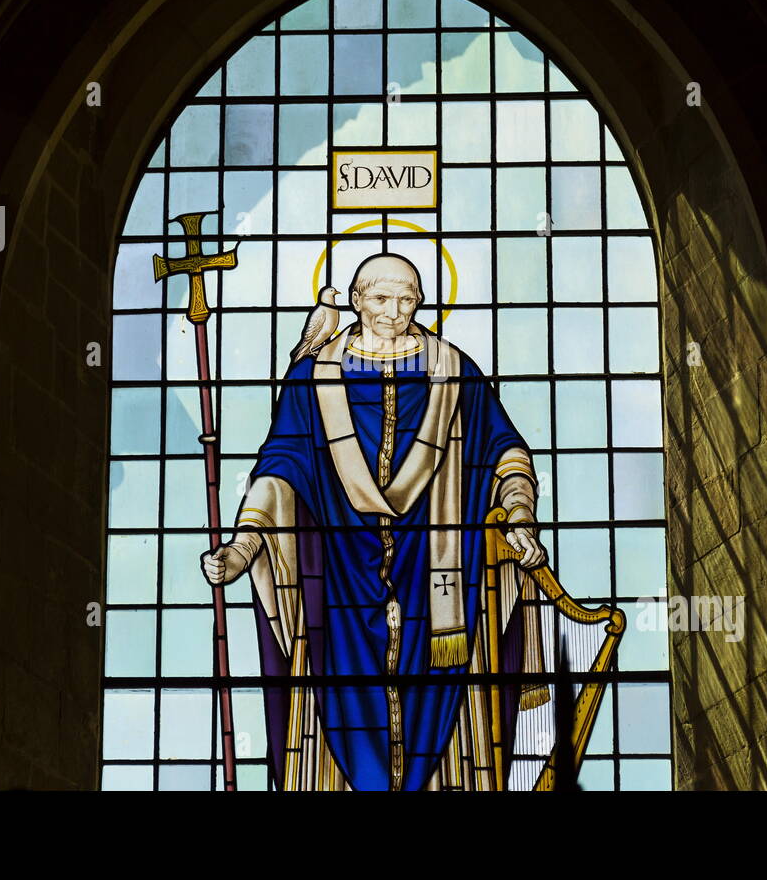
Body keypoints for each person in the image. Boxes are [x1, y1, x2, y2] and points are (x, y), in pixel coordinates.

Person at [201, 253, 548, 791]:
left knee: (440, 699)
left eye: (408, 298)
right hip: (339, 582)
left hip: (437, 577)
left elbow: (505, 452)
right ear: (356, 300)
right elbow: (278, 472)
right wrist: (244, 547)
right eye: (382, 298)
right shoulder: (313, 378)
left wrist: (520, 514)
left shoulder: (455, 373)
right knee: (339, 695)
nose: (395, 311)